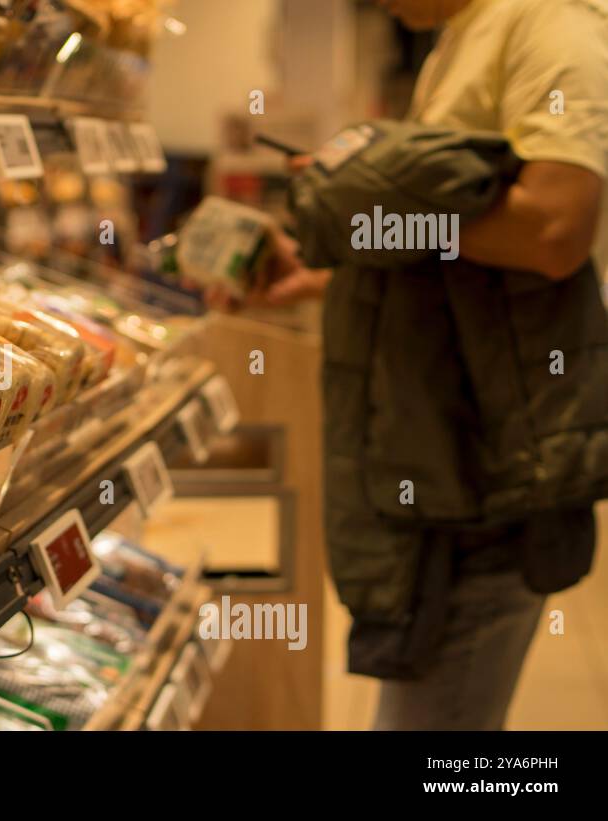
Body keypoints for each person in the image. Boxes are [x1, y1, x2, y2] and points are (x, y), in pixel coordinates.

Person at [211, 0, 608, 730]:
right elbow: (448, 258)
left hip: (482, 481)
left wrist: (368, 201)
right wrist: (331, 268)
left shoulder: (549, 22)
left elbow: (557, 226)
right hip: (430, 466)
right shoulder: (459, 36)